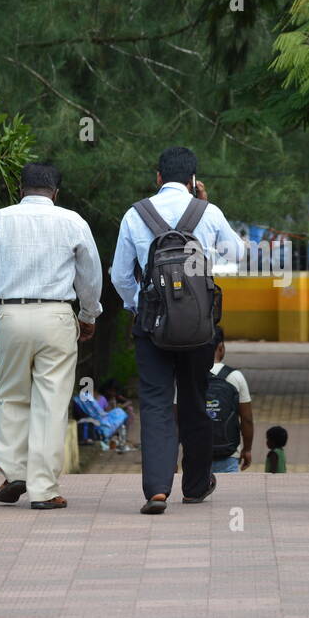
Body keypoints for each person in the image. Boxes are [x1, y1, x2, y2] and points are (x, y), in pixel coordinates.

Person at [110, 146, 243, 514]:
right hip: (199, 328)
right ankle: (197, 485)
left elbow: (120, 275)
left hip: (151, 328)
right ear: (194, 181)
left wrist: (137, 306)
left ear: (157, 177)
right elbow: (237, 254)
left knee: (155, 403)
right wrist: (207, 207)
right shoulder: (208, 212)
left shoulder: (136, 215)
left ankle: (156, 489)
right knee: (194, 400)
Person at [0, 162, 102, 509]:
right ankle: (43, 490)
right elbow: (90, 275)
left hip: (11, 314)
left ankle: (14, 473)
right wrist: (88, 315)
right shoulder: (73, 221)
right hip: (56, 315)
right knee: (51, 403)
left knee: (11, 395)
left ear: (20, 189)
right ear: (56, 193)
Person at [205, 326, 254, 473]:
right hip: (229, 454)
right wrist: (247, 449)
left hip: (195, 454)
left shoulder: (187, 377)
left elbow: (175, 420)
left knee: (194, 492)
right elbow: (247, 419)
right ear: (221, 347)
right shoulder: (235, 377)